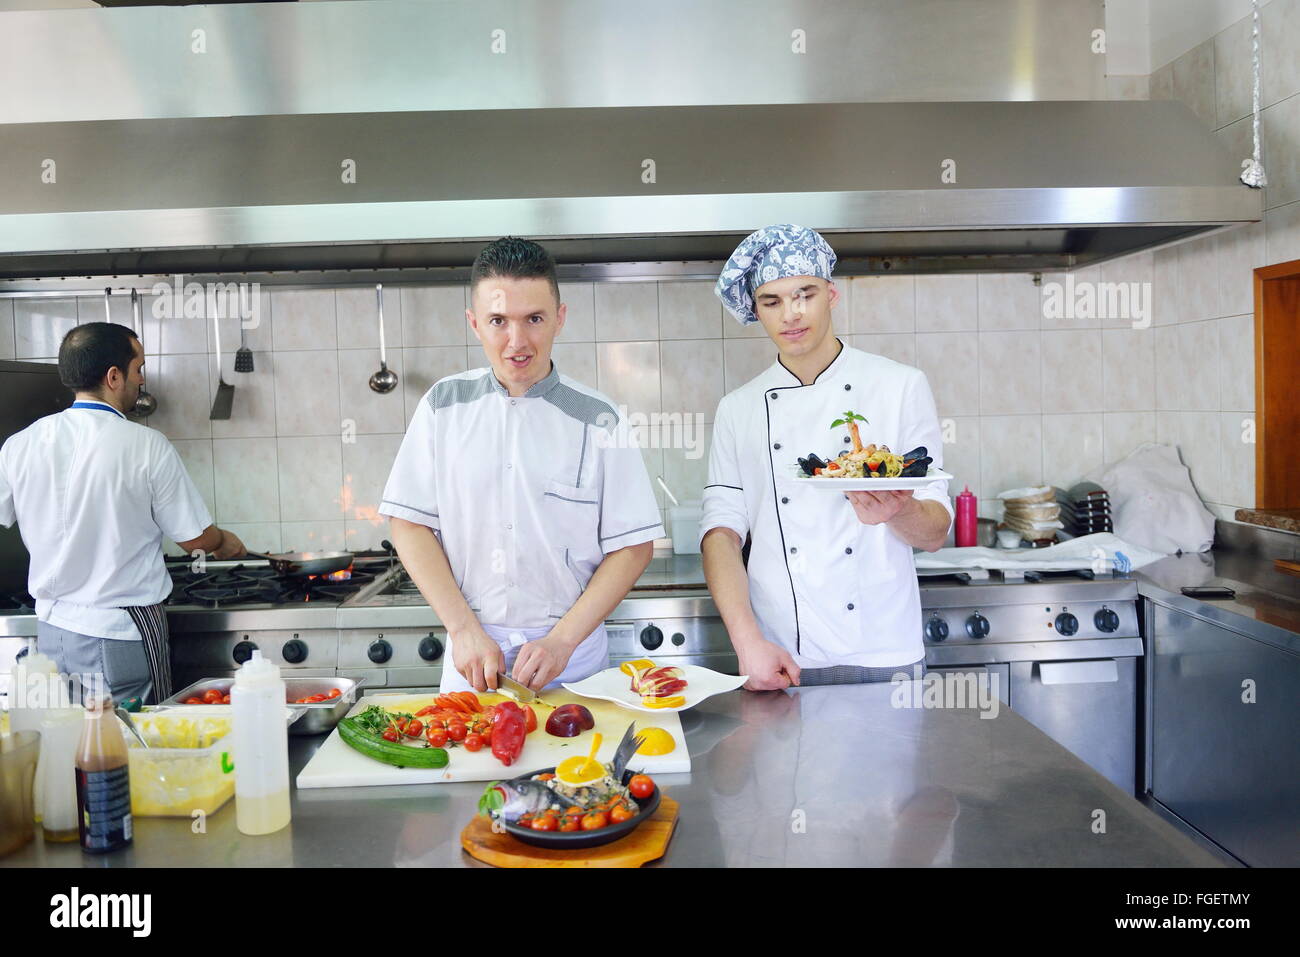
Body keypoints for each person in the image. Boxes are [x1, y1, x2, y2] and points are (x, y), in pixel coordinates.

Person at [380, 238, 663, 693]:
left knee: (577, 766)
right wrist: (463, 630)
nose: (517, 342)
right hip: (473, 661)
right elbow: (408, 524)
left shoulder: (599, 418)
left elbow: (633, 547)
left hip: (571, 668)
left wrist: (562, 641)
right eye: (498, 321)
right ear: (474, 324)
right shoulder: (442, 406)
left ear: (560, 318)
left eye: (534, 319)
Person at [701, 225, 952, 689]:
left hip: (885, 649)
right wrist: (746, 642)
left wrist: (901, 509)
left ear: (831, 295)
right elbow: (721, 532)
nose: (791, 314)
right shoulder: (738, 409)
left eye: (805, 294)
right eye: (771, 301)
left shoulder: (900, 386)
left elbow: (936, 532)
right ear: (756, 311)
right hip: (780, 654)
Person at [0, 322, 246, 705]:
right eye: (139, 368)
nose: (142, 379)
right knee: (132, 747)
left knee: (73, 750)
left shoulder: (20, 444)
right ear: (114, 376)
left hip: (51, 633)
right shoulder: (145, 445)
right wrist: (224, 544)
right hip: (120, 630)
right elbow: (194, 537)